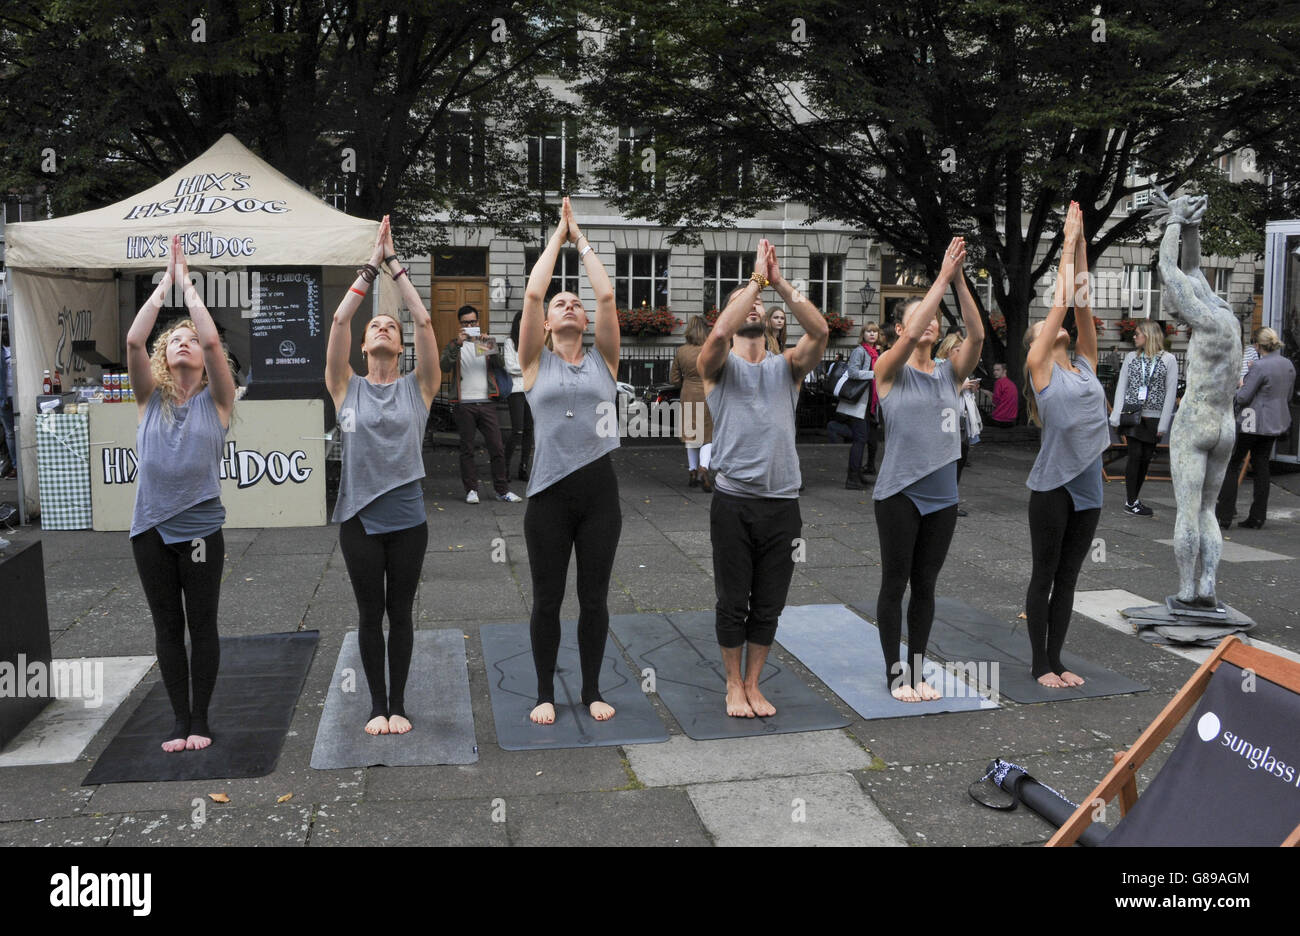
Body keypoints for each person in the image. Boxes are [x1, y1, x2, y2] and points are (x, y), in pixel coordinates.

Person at [699, 238, 829, 717]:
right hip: (733, 502)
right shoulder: (717, 367)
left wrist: (777, 282)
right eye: (745, 303)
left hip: (783, 504)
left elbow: (819, 332)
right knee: (733, 600)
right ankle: (732, 684)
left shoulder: (787, 367)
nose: (755, 305)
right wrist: (751, 282)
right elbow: (715, 339)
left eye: (759, 304)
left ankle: (754, 682)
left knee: (770, 603)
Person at [326, 216, 441, 735]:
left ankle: (400, 703)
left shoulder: (419, 387)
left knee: (403, 613)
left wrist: (395, 264)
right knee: (369, 615)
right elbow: (338, 324)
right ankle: (377, 706)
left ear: (399, 346)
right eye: (376, 325)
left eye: (389, 327)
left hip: (408, 518)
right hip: (359, 519)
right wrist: (369, 265)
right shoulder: (345, 386)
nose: (381, 327)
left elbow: (424, 321)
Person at [126, 235, 236, 752]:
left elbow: (214, 344)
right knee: (167, 625)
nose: (185, 343)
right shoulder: (148, 398)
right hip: (149, 530)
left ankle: (201, 718)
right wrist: (162, 288)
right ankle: (177, 719)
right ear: (161, 359)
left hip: (198, 530)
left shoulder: (217, 400)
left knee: (203, 624)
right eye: (174, 341)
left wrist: (188, 286)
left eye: (189, 339)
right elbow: (132, 342)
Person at [519, 197, 622, 726]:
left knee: (594, 598)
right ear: (545, 322)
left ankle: (591, 689)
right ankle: (543, 692)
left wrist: (581, 238)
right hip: (548, 498)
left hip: (600, 494)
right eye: (561, 304)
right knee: (546, 599)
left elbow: (605, 294)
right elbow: (535, 291)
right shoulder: (533, 362)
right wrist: (556, 237)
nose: (568, 305)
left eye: (573, 304)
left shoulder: (604, 359)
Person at [872, 238, 983, 701]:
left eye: (936, 317)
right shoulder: (888, 371)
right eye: (922, 315)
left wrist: (957, 279)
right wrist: (938, 277)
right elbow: (905, 339)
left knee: (926, 586)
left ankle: (918, 670)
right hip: (899, 492)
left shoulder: (948, 373)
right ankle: (896, 674)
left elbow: (976, 336)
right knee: (895, 583)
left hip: (943, 496)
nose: (932, 321)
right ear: (902, 327)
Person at [1022, 201, 1106, 689]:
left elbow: (1080, 303)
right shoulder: (1042, 369)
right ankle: (1039, 663)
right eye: (1047, 329)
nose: (1058, 328)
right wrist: (1065, 246)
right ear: (1039, 339)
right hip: (1052, 486)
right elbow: (1059, 306)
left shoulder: (1086, 362)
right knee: (1045, 574)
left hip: (1090, 483)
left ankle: (1058, 657)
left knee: (1070, 578)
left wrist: (1080, 244)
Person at [440, 304, 521, 504]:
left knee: (497, 447)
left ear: (478, 322)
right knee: (467, 449)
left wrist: (489, 346)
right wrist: (458, 344)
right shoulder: (454, 345)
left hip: (486, 402)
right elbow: (444, 366)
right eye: (466, 322)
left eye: (473, 322)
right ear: (460, 325)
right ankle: (471, 490)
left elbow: (501, 366)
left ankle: (502, 490)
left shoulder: (484, 343)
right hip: (464, 403)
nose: (470, 325)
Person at [1217, 327, 1296, 529]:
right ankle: (1258, 516)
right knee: (1262, 466)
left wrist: (1242, 384)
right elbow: (1286, 396)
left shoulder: (1259, 366)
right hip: (1274, 422)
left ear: (1258, 345)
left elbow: (1243, 396)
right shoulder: (1288, 365)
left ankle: (1224, 515)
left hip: (1251, 422)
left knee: (1233, 464)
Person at [1109, 320, 1178, 517]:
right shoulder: (1131, 357)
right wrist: (1116, 415)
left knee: (1145, 458)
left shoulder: (1168, 360)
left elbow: (1170, 393)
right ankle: (1130, 501)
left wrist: (1164, 423)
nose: (1134, 337)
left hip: (1154, 417)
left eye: (1137, 333)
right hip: (1133, 414)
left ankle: (1134, 498)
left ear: (1148, 336)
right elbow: (1122, 386)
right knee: (1135, 455)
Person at [670, 314, 714, 491]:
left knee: (691, 435)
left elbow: (674, 379)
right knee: (708, 435)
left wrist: (685, 383)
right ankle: (704, 467)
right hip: (708, 393)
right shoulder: (710, 349)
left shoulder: (681, 351)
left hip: (688, 393)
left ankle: (692, 471)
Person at [837, 321, 881, 490]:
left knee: (868, 440)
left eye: (875, 332)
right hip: (858, 404)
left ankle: (859, 474)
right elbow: (853, 372)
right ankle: (852, 478)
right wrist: (875, 373)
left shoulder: (876, 353)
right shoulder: (859, 351)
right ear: (863, 334)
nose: (872, 334)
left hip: (871, 404)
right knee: (859, 440)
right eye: (869, 331)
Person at [502, 311, 534, 481]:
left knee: (529, 431)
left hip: (532, 390)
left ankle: (523, 468)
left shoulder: (534, 342)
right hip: (516, 391)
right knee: (517, 430)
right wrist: (528, 369)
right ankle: (505, 467)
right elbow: (509, 367)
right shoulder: (510, 342)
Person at [0, 318, 15, 478]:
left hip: (18, 395)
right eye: (1, 330)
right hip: (4, 398)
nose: (4, 333)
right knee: (10, 433)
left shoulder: (18, 347)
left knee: (18, 430)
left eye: (6, 329)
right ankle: (15, 465)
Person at [989, 362, 1019, 426]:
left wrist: (988, 394)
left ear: (1004, 371)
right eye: (994, 370)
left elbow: (995, 403)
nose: (995, 372)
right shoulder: (1011, 383)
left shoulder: (999, 382)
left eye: (998, 370)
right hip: (1012, 421)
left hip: (1000, 420)